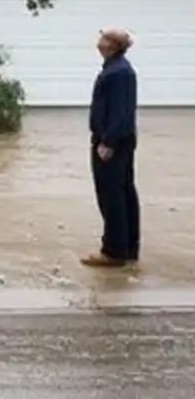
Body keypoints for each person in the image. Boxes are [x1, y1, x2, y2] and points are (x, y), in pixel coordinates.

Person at [81, 28, 140, 268]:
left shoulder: (118, 73)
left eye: (104, 39)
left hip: (112, 141)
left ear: (114, 45)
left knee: (111, 194)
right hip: (119, 138)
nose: (99, 42)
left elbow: (120, 111)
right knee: (123, 191)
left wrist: (108, 142)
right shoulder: (117, 69)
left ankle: (114, 251)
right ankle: (128, 247)